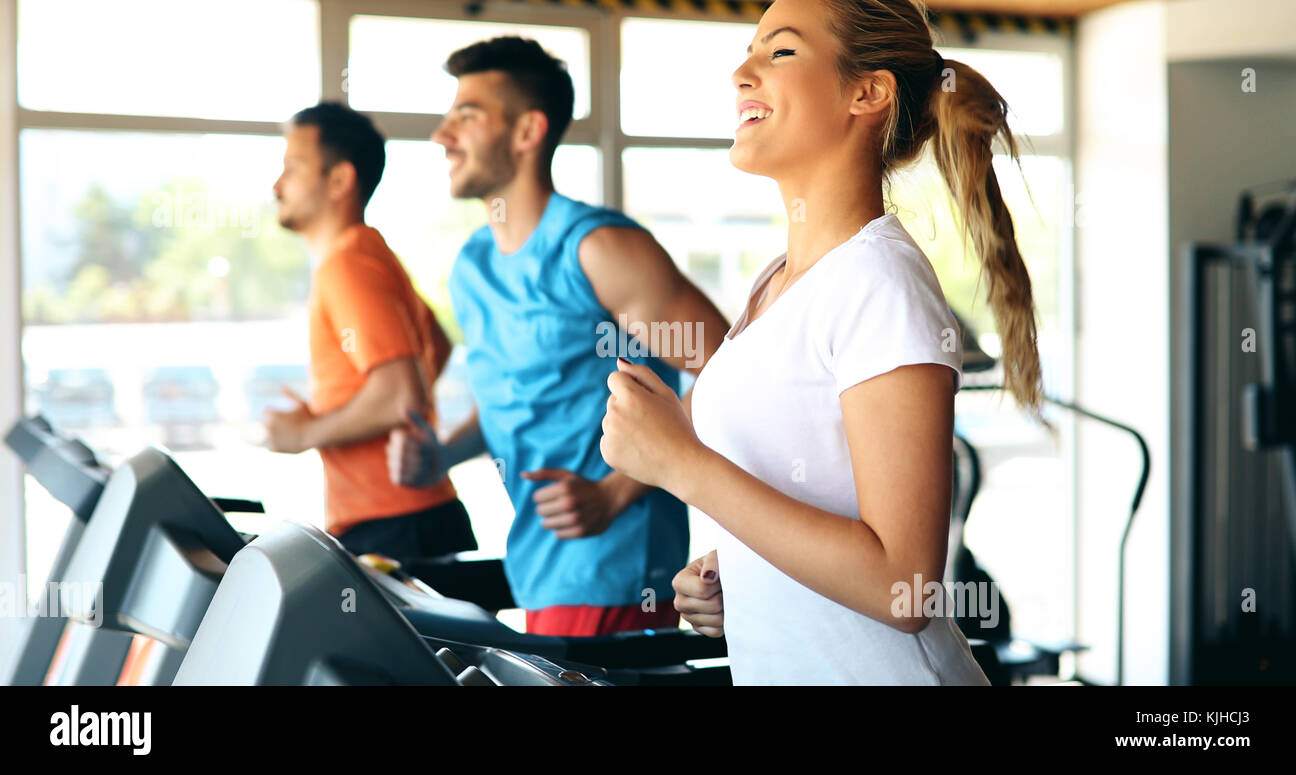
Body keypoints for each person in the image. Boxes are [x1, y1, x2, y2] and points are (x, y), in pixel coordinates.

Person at [599, 0, 1043, 684]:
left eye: (778, 52)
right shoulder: (773, 284)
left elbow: (906, 585)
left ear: (868, 91)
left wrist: (681, 465)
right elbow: (816, 502)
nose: (742, 72)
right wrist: (740, 572)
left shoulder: (880, 281)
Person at [388, 37, 729, 637]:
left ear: (527, 133)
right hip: (537, 571)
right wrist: (440, 453)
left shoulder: (599, 249)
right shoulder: (471, 266)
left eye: (466, 116)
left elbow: (732, 370)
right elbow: (512, 400)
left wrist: (615, 492)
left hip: (620, 573)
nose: (443, 136)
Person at [265, 101, 476, 564]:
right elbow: (434, 345)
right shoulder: (368, 252)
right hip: (411, 518)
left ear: (339, 181)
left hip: (395, 525)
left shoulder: (347, 265)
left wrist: (306, 433)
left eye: (292, 169)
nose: (276, 185)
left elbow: (401, 394)